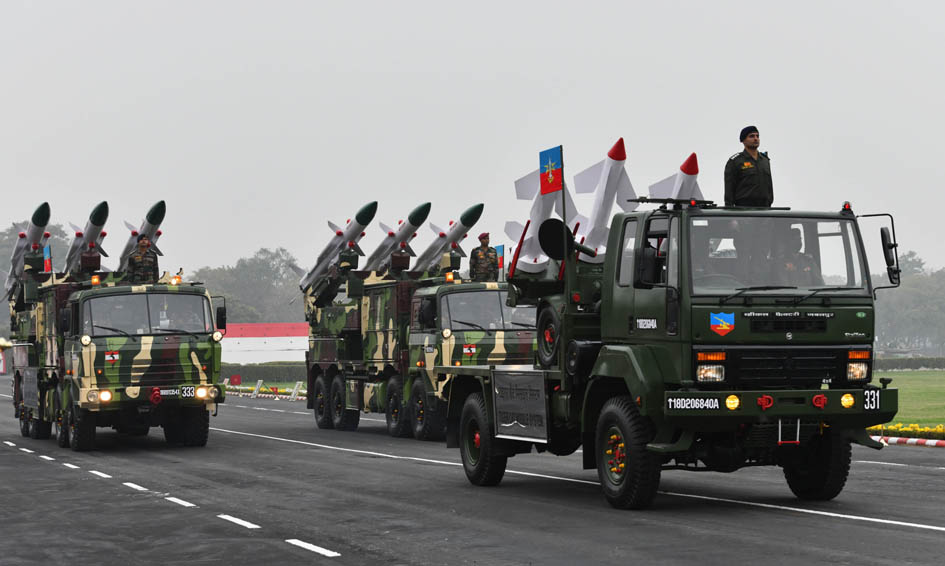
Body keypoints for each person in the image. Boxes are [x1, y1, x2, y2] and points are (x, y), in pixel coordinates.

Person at [724, 125, 774, 207]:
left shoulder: (765, 160)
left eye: (757, 136)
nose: (756, 139)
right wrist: (730, 210)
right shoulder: (735, 161)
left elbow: (769, 186)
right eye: (751, 136)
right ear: (743, 140)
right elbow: (729, 190)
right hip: (744, 209)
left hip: (765, 208)